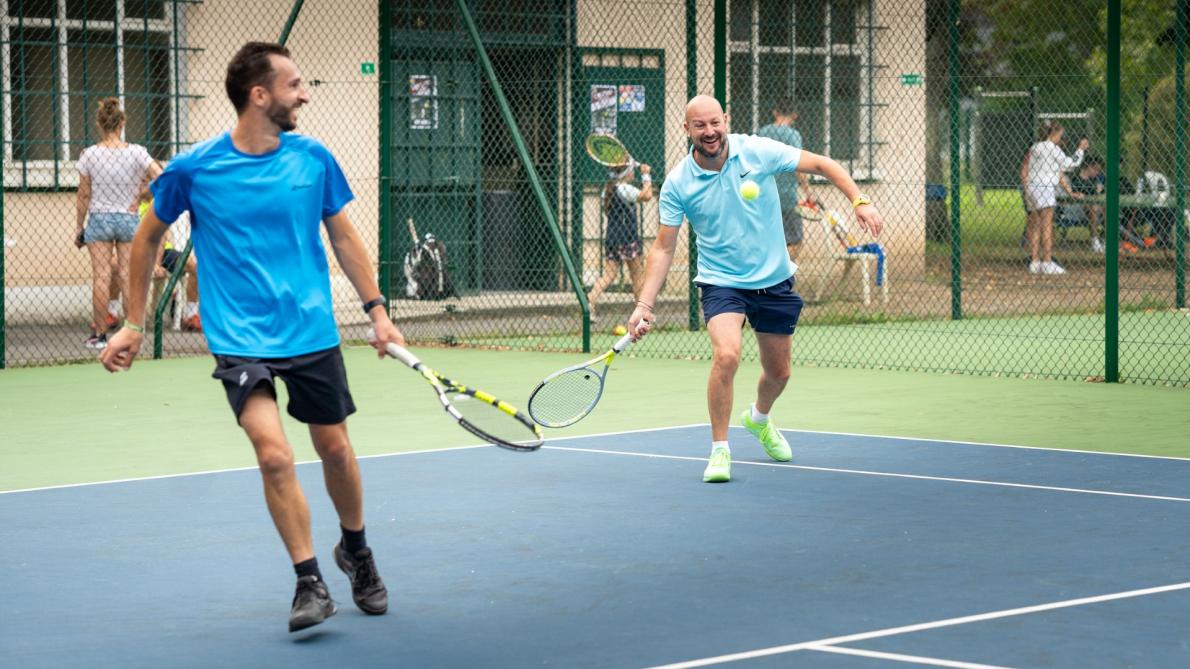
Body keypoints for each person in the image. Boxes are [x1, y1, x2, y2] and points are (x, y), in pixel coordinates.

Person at [100, 42, 404, 632]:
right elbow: (145, 237)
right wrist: (134, 323)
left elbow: (343, 238)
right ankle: (308, 580)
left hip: (310, 328)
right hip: (239, 335)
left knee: (335, 449)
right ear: (259, 95)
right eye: (294, 84)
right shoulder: (195, 168)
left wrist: (378, 311)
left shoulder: (313, 158)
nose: (305, 94)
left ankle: (356, 551)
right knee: (273, 453)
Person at [626, 95, 883, 483]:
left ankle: (759, 419)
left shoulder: (757, 151)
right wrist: (644, 303)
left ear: (726, 120)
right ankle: (719, 450)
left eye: (715, 122)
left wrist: (859, 200)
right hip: (721, 282)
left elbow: (823, 164)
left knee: (778, 374)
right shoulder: (679, 182)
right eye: (700, 125)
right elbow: (663, 246)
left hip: (773, 279)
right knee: (726, 355)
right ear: (687, 129)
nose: (710, 131)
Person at [74, 97, 162, 349]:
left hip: (99, 218)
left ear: (100, 124)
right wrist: (143, 194)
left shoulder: (90, 154)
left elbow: (83, 194)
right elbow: (161, 176)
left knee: (101, 277)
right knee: (126, 276)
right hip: (128, 217)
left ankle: (100, 336)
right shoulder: (137, 152)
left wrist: (79, 227)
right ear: (122, 123)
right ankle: (130, 334)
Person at [586, 161, 652, 321]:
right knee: (637, 275)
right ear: (626, 173)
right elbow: (647, 196)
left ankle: (589, 301)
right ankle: (642, 313)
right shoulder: (625, 189)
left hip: (612, 238)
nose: (633, 173)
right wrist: (646, 175)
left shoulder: (607, 191)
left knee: (608, 276)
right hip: (628, 237)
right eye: (631, 171)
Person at [1019, 121, 1088, 275]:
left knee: (1035, 224)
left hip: (1031, 188)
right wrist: (1080, 150)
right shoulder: (1052, 148)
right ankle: (1048, 262)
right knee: (1047, 224)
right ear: (1054, 133)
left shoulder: (1035, 147)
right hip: (1045, 188)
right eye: (1060, 135)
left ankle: (1035, 262)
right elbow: (1071, 164)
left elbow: (1057, 172)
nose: (1061, 138)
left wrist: (1070, 192)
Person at [756, 98, 817, 261]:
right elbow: (798, 166)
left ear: (775, 112)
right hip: (787, 198)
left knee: (767, 241)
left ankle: (769, 272)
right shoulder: (793, 135)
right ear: (794, 115)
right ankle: (780, 270)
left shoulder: (762, 132)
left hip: (763, 196)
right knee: (795, 240)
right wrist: (808, 192)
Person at [142, 199, 203, 332]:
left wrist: (157, 264)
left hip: (164, 252)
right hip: (141, 252)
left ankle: (191, 314)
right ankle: (114, 313)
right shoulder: (132, 207)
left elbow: (162, 235)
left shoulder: (159, 202)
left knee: (194, 265)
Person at [1063, 154, 1105, 253]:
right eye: (1096, 169)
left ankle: (1106, 240)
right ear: (1089, 167)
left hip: (1093, 208)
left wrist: (1100, 191)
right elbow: (1074, 197)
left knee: (1106, 207)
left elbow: (1098, 196)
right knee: (1093, 207)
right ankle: (1095, 241)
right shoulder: (1075, 178)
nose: (1097, 173)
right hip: (1075, 209)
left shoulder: (1094, 180)